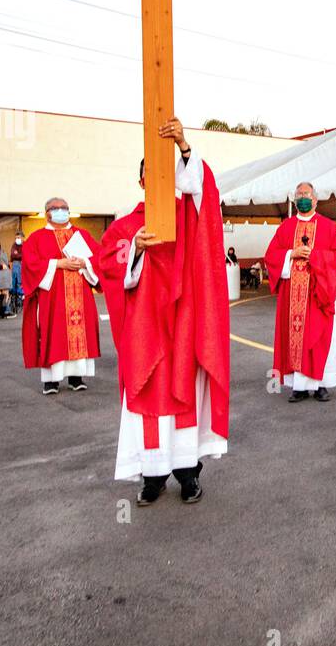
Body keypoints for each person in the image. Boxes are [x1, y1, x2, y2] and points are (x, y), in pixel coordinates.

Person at [99, 117, 231, 506]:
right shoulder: (124, 228)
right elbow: (109, 272)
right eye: (149, 176)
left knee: (184, 398)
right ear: (141, 182)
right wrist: (137, 250)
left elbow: (206, 197)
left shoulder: (186, 218)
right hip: (145, 334)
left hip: (183, 328)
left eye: (163, 175)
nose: (156, 182)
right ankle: (152, 478)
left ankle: (188, 475)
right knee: (149, 408)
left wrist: (185, 146)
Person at [264, 182, 336, 403]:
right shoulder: (285, 227)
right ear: (295, 199)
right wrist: (291, 253)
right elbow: (270, 256)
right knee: (296, 341)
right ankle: (298, 387)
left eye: (307, 194)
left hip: (319, 295)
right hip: (293, 297)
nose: (303, 197)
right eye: (299, 194)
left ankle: (321, 385)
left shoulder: (328, 227)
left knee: (321, 340)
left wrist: (317, 257)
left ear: (315, 200)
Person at [20, 197, 102, 394]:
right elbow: (30, 265)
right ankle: (51, 381)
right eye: (56, 208)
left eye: (65, 208)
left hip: (80, 296)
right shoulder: (37, 238)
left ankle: (76, 378)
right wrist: (58, 264)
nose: (61, 211)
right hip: (53, 299)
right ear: (47, 213)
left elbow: (99, 257)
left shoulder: (81, 234)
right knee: (53, 334)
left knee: (79, 334)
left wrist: (85, 264)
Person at [9, 231, 25, 309]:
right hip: (16, 264)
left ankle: (20, 297)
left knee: (21, 282)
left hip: (24, 265)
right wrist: (21, 256)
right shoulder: (14, 245)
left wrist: (18, 255)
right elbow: (13, 255)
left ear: (22, 238)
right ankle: (14, 298)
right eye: (16, 238)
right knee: (14, 281)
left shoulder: (26, 245)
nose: (17, 239)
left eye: (18, 238)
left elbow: (27, 254)